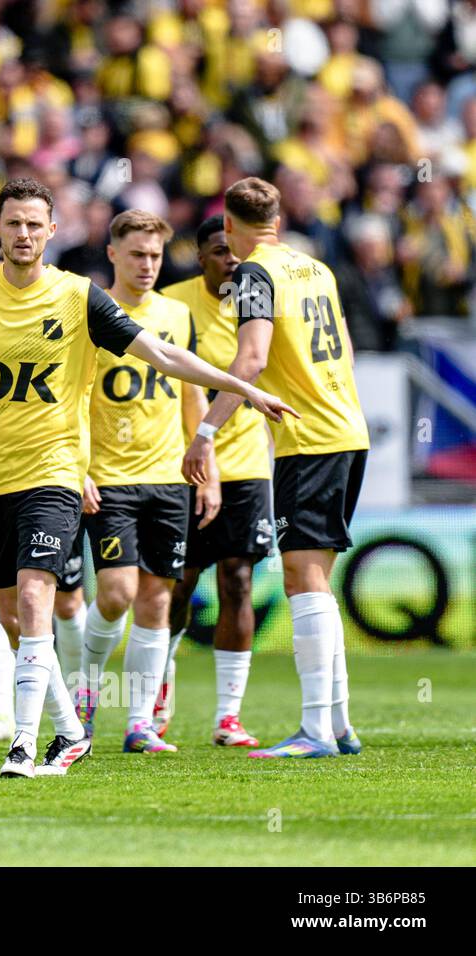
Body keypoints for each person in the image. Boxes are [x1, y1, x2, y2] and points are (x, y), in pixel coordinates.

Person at [0, 178, 295, 779]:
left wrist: (241, 387)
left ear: (52, 232)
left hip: (55, 472)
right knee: (8, 617)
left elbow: (164, 356)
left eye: (35, 224)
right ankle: (71, 727)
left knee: (36, 599)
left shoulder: (78, 297)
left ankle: (24, 746)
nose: (24, 234)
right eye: (14, 223)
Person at [183, 177, 369, 759]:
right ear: (278, 220)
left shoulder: (252, 274)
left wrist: (207, 431)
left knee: (302, 580)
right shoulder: (317, 268)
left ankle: (315, 731)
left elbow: (253, 358)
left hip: (307, 440)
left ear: (229, 227)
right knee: (318, 580)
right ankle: (337, 725)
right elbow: (346, 347)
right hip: (347, 430)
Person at [72, 210, 217, 755]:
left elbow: (190, 392)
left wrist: (209, 468)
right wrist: (79, 469)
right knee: (116, 593)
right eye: (137, 255)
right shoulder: (92, 312)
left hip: (168, 477)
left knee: (157, 601)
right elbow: (75, 397)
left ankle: (138, 722)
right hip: (109, 477)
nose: (148, 265)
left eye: (155, 256)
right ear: (113, 254)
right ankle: (84, 692)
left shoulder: (177, 316)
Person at [160, 214, 272, 748]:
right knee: (176, 583)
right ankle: (157, 696)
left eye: (236, 251)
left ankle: (229, 716)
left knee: (238, 579)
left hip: (247, 462)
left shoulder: (259, 299)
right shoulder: (173, 304)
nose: (232, 260)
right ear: (200, 255)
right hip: (182, 461)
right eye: (220, 251)